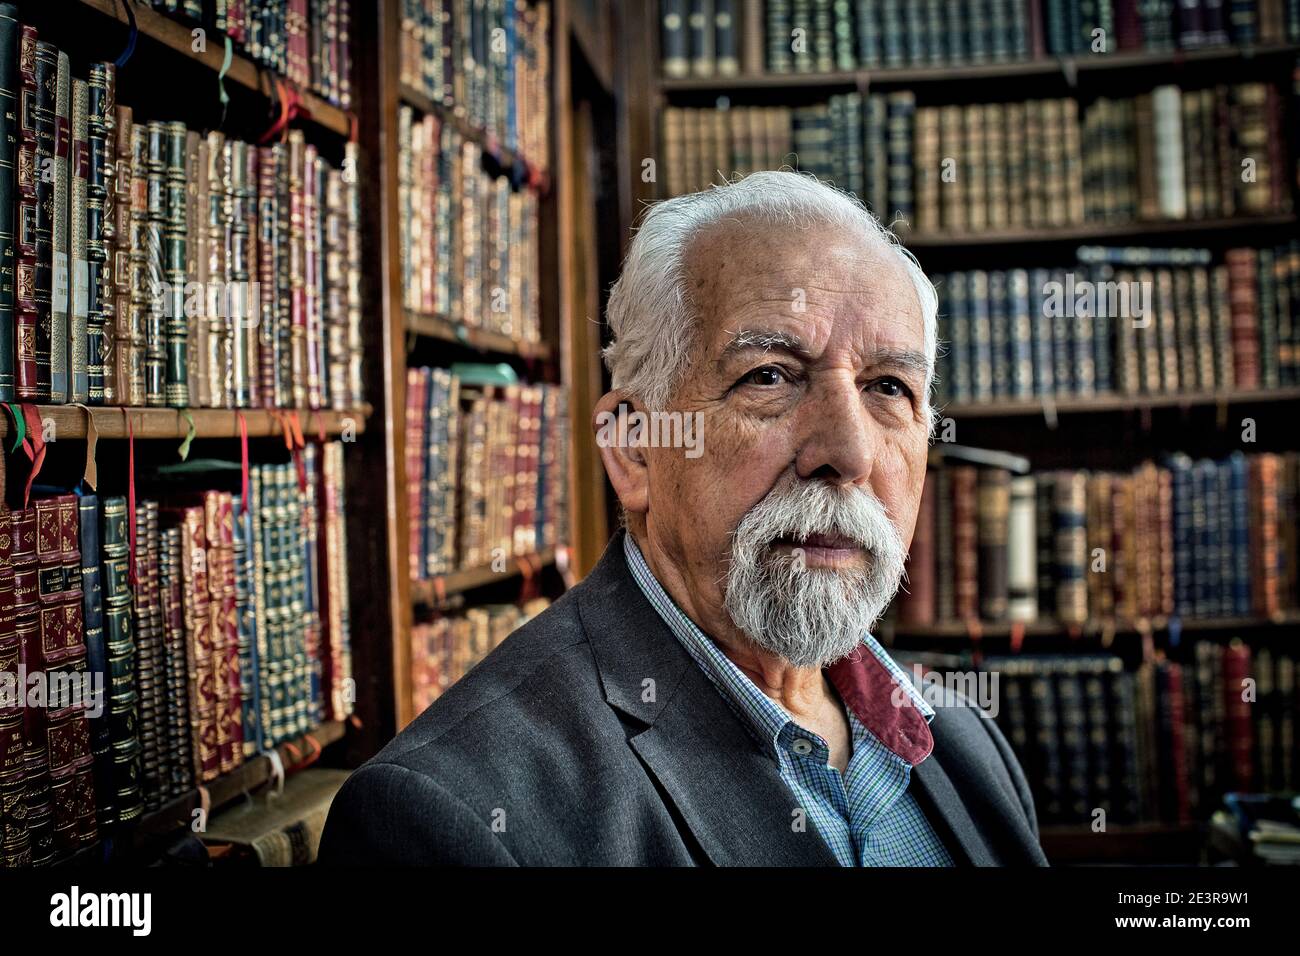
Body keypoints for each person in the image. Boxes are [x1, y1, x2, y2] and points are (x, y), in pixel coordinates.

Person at [318, 171, 1048, 866]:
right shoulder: (450, 818)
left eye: (890, 387)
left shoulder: (965, 743)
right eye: (769, 376)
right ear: (634, 451)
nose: (849, 452)